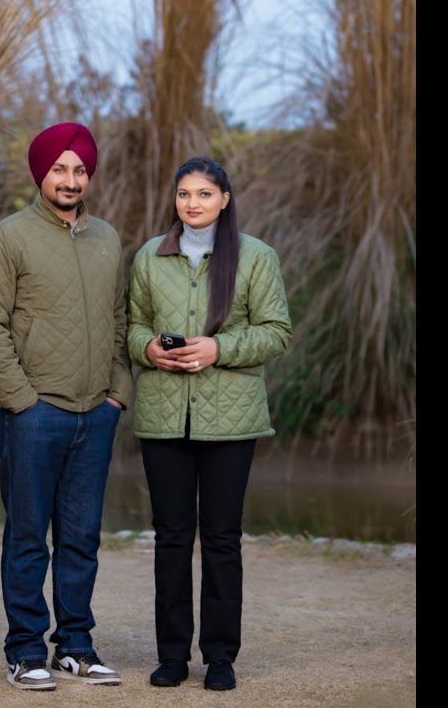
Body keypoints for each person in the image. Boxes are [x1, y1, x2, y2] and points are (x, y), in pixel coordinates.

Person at [0, 122, 133, 691]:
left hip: (96, 413)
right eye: (60, 168)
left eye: (80, 169)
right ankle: (24, 651)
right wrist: (20, 401)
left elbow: (119, 321)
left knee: (82, 536)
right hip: (34, 414)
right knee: (27, 536)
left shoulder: (107, 238)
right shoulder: (8, 237)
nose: (70, 179)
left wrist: (117, 396)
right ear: (41, 173)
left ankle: (76, 646)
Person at [126, 156, 292, 691]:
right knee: (172, 538)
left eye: (203, 194)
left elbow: (276, 332)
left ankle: (220, 657)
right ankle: (172, 655)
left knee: (221, 539)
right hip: (163, 417)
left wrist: (220, 347)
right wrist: (148, 347)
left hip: (233, 422)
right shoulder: (151, 256)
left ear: (224, 199)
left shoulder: (256, 257)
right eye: (183, 194)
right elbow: (131, 327)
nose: (191, 204)